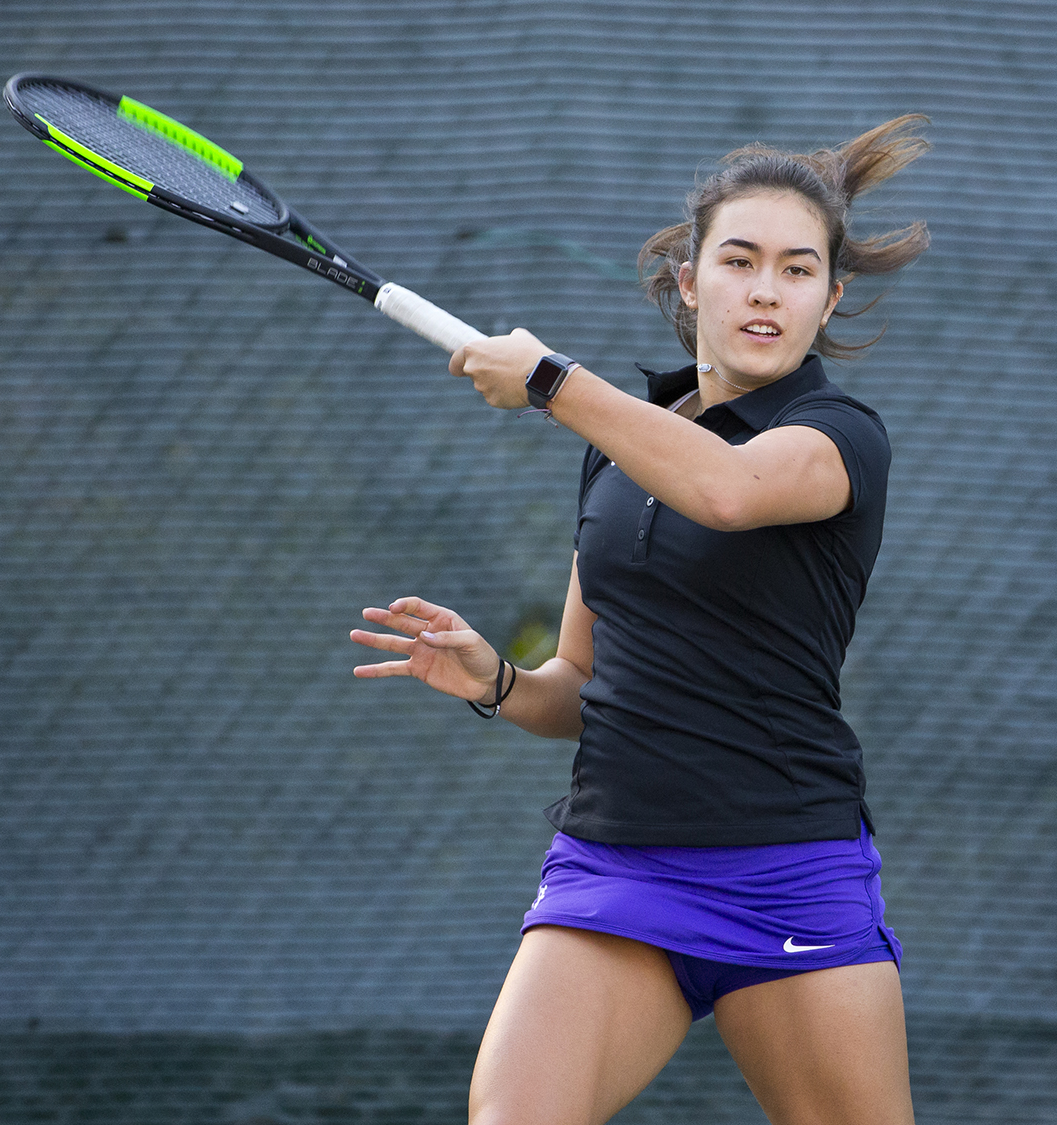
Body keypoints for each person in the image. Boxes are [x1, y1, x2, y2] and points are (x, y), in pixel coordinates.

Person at [351, 115, 931, 1125]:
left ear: (827, 299)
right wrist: (498, 682)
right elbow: (578, 686)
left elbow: (730, 493)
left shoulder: (839, 439)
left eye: (795, 271)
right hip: (613, 866)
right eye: (739, 261)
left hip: (783, 870)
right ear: (688, 282)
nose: (763, 289)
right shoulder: (619, 448)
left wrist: (549, 382)